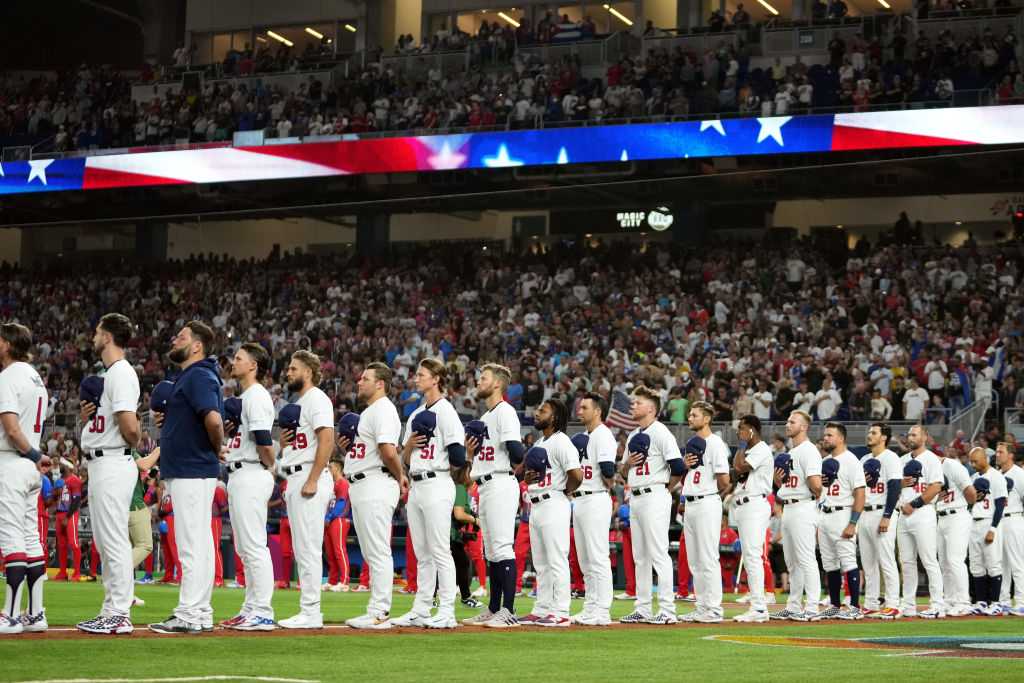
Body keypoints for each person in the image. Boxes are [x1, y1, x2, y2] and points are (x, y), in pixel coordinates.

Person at [148, 321, 225, 635]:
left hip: (192, 469)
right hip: (193, 469)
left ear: (196, 346)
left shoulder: (198, 375)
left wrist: (215, 449)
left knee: (192, 544)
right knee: (200, 543)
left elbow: (215, 420)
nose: (174, 339)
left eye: (181, 336)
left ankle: (190, 613)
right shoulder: (194, 375)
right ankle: (200, 611)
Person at [76, 313, 142, 635]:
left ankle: (119, 613)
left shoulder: (122, 373)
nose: (93, 336)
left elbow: (130, 427)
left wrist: (136, 438)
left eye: (97, 331)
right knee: (106, 540)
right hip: (103, 461)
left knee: (113, 539)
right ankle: (111, 609)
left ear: (109, 336)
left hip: (115, 461)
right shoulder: (110, 374)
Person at [392, 359, 465, 629]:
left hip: (438, 481)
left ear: (436, 379)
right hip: (417, 483)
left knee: (439, 550)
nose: (416, 378)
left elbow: (458, 456)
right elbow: (405, 460)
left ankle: (446, 610)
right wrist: (410, 445)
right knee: (422, 552)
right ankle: (421, 609)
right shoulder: (414, 414)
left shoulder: (447, 412)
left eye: (421, 374)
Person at [344, 362, 407, 630]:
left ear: (380, 383)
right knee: (372, 551)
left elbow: (388, 450)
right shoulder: (371, 411)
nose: (360, 381)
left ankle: (380, 611)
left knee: (378, 550)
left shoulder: (384, 409)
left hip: (376, 482)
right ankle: (374, 608)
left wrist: (400, 475)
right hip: (363, 482)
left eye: (365, 378)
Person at [220, 342, 278, 631]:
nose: (234, 361)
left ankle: (263, 611)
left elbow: (264, 442)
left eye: (239, 358)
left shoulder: (256, 396)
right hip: (242, 472)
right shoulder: (247, 396)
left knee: (254, 546)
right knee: (245, 547)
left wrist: (269, 466)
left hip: (252, 472)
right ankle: (250, 608)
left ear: (253, 365)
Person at [463, 364, 526, 628]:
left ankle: (508, 610)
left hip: (500, 480)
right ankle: (493, 608)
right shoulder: (488, 415)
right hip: (485, 483)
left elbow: (517, 453)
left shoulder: (505, 411)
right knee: (491, 551)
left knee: (501, 547)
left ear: (497, 384)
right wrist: (470, 451)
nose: (479, 382)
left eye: (484, 378)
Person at [277, 350, 335, 629]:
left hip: (309, 477)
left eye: (293, 368)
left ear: (308, 372)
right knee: (303, 549)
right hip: (296, 477)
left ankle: (311, 612)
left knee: (309, 548)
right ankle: (307, 609)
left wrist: (312, 478)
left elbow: (327, 440)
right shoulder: (300, 402)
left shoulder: (317, 399)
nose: (288, 373)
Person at [619, 386, 685, 625]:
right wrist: (626, 466)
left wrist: (666, 488)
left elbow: (678, 466)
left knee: (658, 553)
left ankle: (667, 610)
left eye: (637, 403)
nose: (633, 405)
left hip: (655, 493)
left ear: (651, 408)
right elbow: (623, 469)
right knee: (641, 557)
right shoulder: (633, 434)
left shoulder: (661, 433)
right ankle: (643, 608)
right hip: (636, 495)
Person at [0, 323, 50, 635]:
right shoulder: (35, 377)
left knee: (11, 536)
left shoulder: (7, 377)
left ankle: (10, 615)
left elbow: (11, 428)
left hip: (13, 460)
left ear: (6, 344)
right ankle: (35, 613)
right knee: (30, 537)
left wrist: (33, 454)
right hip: (29, 467)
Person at [518, 399, 582, 627]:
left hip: (554, 501)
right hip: (536, 503)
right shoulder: (540, 442)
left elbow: (577, 474)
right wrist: (527, 480)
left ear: (554, 418)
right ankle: (542, 608)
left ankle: (561, 610)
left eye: (542, 410)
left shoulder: (562, 442)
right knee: (541, 563)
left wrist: (565, 490)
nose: (536, 412)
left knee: (556, 559)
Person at [680, 401, 731, 623]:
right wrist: (685, 465)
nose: (689, 418)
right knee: (695, 560)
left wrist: (711, 494)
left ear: (707, 418)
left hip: (707, 501)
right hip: (691, 503)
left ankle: (714, 609)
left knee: (708, 557)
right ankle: (702, 606)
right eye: (690, 415)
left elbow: (725, 480)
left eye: (694, 415)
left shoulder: (716, 443)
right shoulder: (693, 443)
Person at [770, 411, 823, 621]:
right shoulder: (791, 452)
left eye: (792, 421)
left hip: (803, 506)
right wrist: (777, 481)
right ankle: (793, 606)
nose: (787, 424)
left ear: (804, 427)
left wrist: (814, 489)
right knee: (791, 561)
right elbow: (784, 485)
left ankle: (812, 607)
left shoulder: (808, 450)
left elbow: (816, 485)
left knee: (806, 559)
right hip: (788, 507)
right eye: (787, 420)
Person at [569, 393, 615, 626]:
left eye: (584, 407)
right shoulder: (586, 436)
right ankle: (591, 606)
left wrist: (610, 481)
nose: (580, 411)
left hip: (595, 497)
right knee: (585, 559)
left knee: (597, 557)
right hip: (581, 498)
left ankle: (603, 609)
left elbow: (608, 470)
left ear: (597, 411)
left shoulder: (603, 434)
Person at [814, 423, 866, 620]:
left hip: (843, 513)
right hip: (825, 513)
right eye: (825, 435)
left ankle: (854, 606)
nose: (825, 438)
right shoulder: (825, 460)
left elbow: (860, 493)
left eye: (829, 435)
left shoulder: (852, 461)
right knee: (829, 563)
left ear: (841, 438)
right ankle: (835, 604)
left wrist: (853, 522)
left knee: (848, 560)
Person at [897, 424, 946, 619]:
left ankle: (937, 605)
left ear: (925, 437)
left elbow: (935, 487)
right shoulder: (902, 460)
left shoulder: (932, 459)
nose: (911, 437)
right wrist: (899, 485)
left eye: (915, 434)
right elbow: (895, 485)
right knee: (906, 561)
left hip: (923, 512)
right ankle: (908, 604)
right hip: (903, 514)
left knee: (928, 560)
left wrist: (915, 504)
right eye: (909, 434)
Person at [731, 415, 774, 622]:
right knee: (750, 557)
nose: (739, 431)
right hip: (744, 505)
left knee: (753, 557)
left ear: (753, 430)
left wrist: (740, 445)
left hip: (755, 504)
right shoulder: (748, 450)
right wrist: (741, 448)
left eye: (742, 428)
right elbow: (735, 471)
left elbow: (739, 468)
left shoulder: (762, 449)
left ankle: (759, 607)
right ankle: (757, 604)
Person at [859, 423, 902, 619]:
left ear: (884, 437)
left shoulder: (891, 458)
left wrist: (887, 515)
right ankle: (871, 602)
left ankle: (893, 603)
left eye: (874, 433)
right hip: (866, 513)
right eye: (869, 432)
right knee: (868, 562)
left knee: (886, 559)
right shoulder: (865, 459)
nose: (870, 435)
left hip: (882, 512)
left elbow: (894, 487)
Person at [935, 442, 977, 616]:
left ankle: (964, 601)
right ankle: (950, 599)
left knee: (955, 560)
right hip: (941, 516)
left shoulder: (952, 466)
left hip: (957, 515)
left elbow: (971, 494)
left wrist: (960, 505)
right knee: (944, 562)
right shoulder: (932, 470)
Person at [967, 447, 1007, 615]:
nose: (973, 464)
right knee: (976, 565)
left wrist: (993, 528)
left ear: (985, 458)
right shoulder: (974, 477)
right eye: (971, 461)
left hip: (989, 522)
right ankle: (982, 602)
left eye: (975, 460)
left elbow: (1000, 505)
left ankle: (996, 603)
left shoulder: (996, 477)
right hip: (973, 523)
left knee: (993, 563)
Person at [995, 442, 1024, 614]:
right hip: (999, 521)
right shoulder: (997, 474)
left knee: (1017, 562)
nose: (997, 454)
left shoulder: (1020, 474)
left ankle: (1021, 601)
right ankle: (1004, 600)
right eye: (997, 451)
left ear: (1011, 455)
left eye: (1001, 452)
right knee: (1001, 564)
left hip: (1014, 519)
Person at [451, 476, 482, 608]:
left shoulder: (457, 487)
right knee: (460, 562)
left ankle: (464, 596)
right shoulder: (460, 488)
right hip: (449, 534)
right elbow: (459, 514)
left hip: (451, 533)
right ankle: (463, 597)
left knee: (462, 561)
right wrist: (475, 520)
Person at [323, 461, 351, 593]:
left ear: (338, 468)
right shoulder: (331, 484)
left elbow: (341, 502)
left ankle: (344, 581)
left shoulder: (343, 483)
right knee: (330, 552)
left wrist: (330, 517)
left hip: (339, 518)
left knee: (339, 549)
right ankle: (332, 580)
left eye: (331, 467)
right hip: (329, 519)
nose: (329, 469)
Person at [53, 458, 83, 581]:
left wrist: (68, 516)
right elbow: (58, 498)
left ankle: (77, 573)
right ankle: (62, 572)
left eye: (61, 464)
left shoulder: (74, 480)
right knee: (61, 545)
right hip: (60, 514)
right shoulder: (60, 481)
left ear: (68, 466)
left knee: (73, 543)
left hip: (69, 515)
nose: (59, 466)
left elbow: (76, 500)